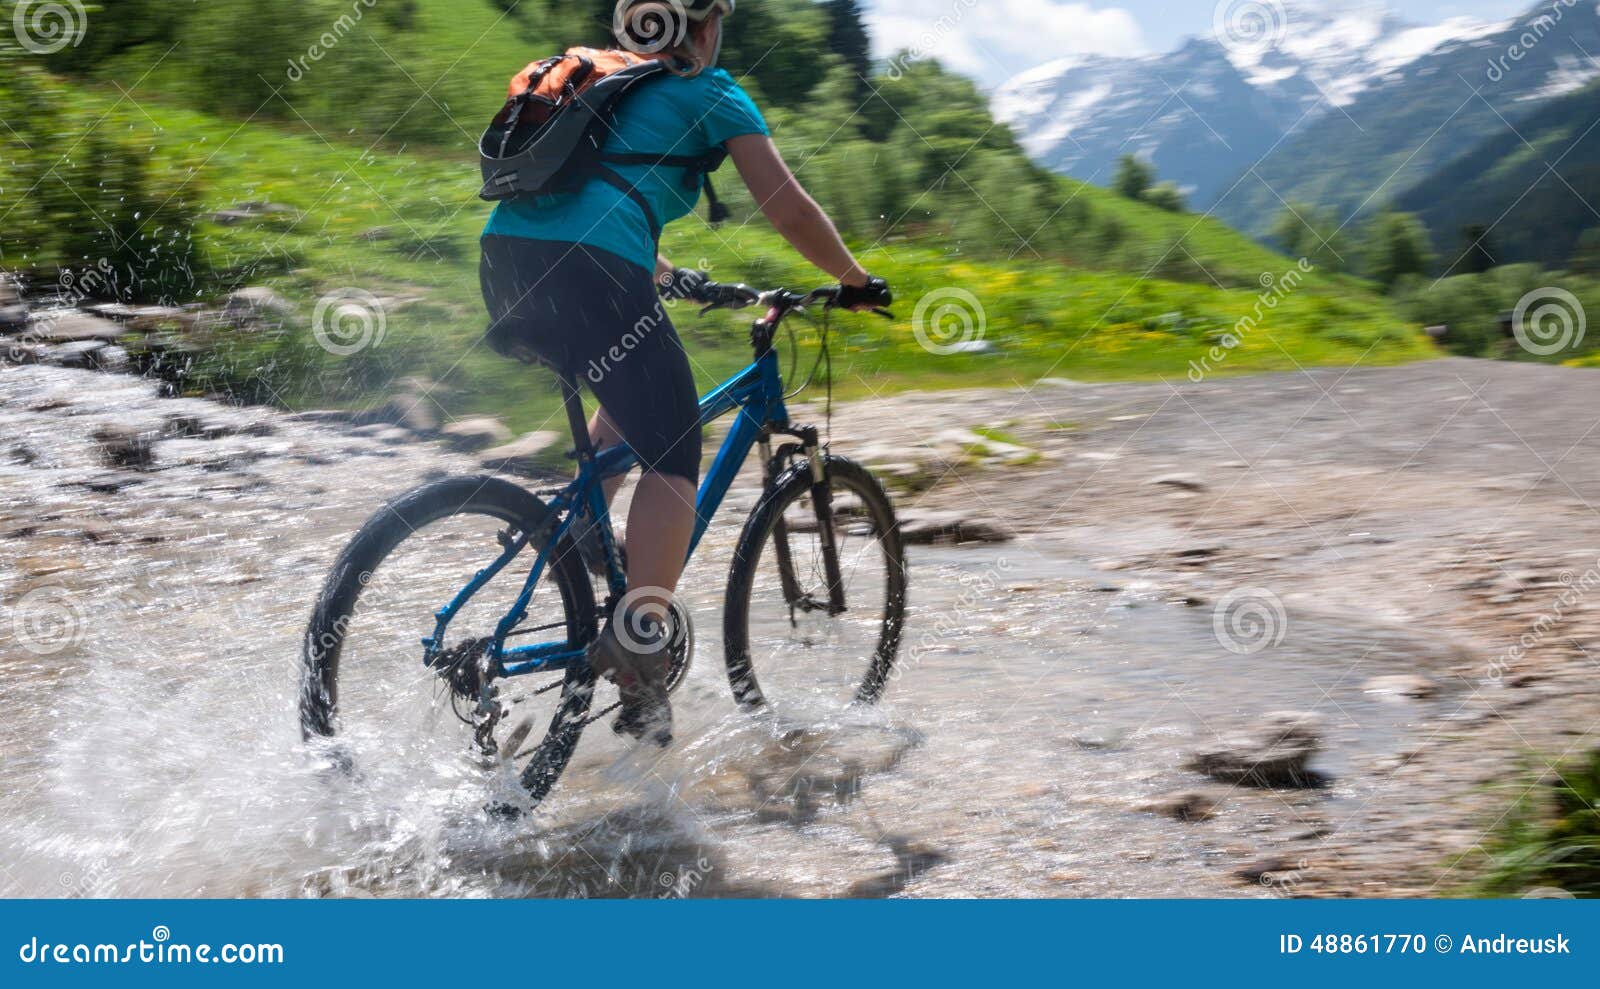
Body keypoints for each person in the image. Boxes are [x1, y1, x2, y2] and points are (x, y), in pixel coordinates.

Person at [478, 0, 890, 747]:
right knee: (674, 452)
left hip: (508, 262)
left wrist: (663, 270)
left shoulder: (602, 80)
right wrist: (855, 280)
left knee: (628, 407)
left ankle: (576, 550)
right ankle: (640, 653)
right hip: (597, 273)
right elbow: (787, 207)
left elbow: (586, 185)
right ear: (704, 28)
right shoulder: (711, 90)